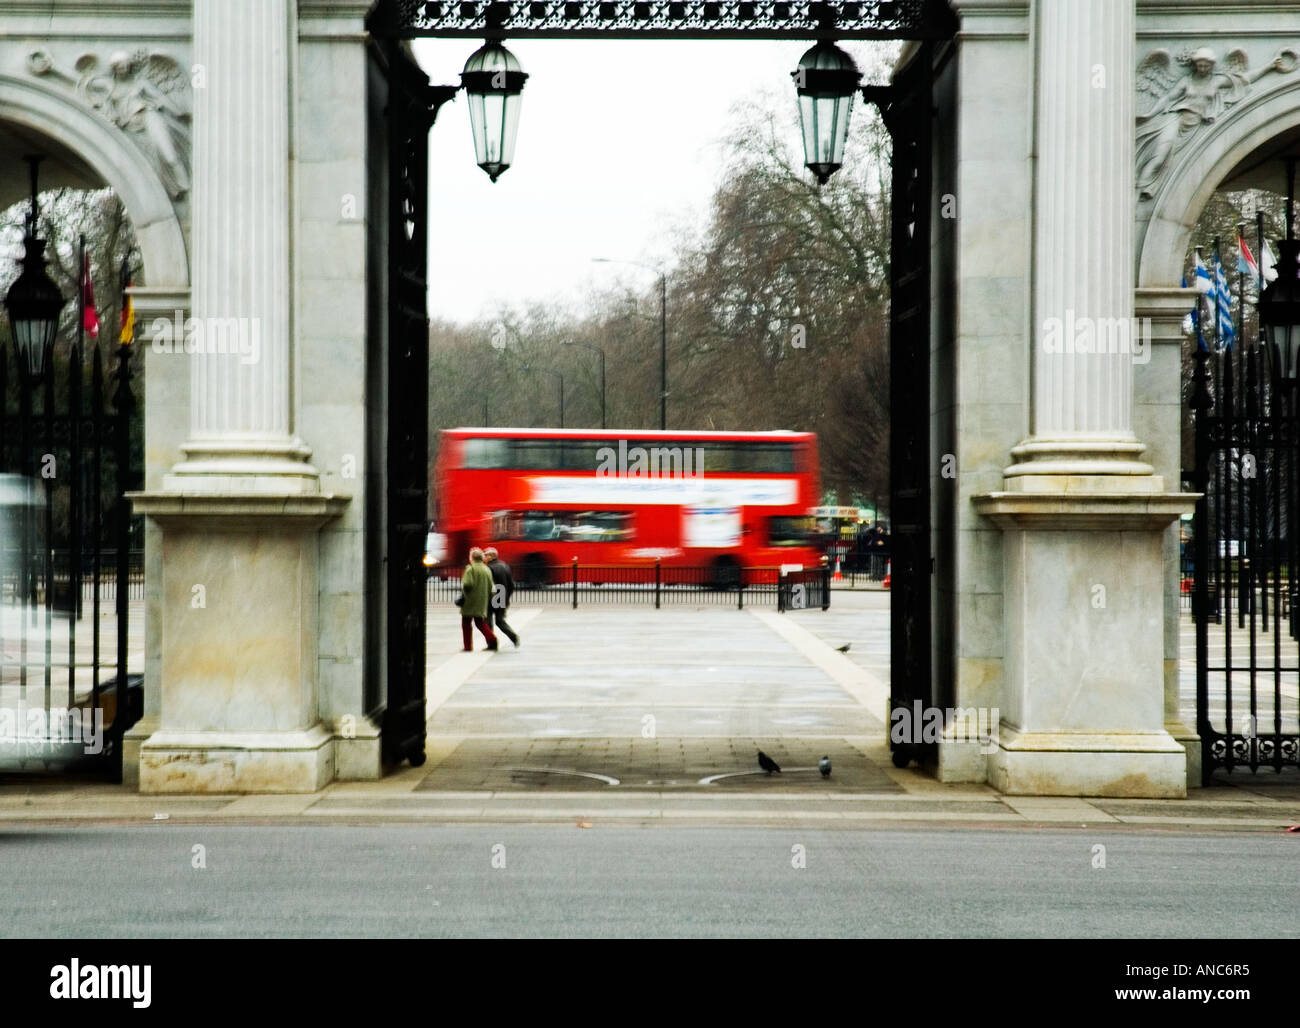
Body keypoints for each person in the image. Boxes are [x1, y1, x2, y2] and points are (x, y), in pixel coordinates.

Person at [459, 548, 497, 652]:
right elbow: (492, 588)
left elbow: (467, 584)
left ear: (472, 558)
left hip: (469, 601)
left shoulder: (470, 569)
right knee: (480, 623)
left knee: (466, 624)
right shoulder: (486, 569)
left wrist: (464, 592)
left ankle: (468, 646)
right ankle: (492, 639)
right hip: (482, 601)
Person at [484, 546, 520, 648]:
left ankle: (492, 644)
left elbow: (489, 586)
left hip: (492, 598)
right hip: (502, 598)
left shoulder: (489, 568)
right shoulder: (504, 566)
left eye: (486, 555)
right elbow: (511, 585)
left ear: (491, 556)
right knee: (500, 621)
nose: (484, 557)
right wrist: (506, 597)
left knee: (488, 622)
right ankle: (513, 637)